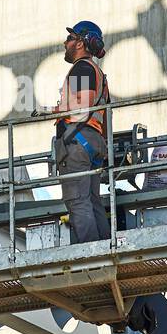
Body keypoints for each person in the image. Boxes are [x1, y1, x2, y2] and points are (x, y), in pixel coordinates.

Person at [49, 20, 112, 244]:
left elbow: (81, 107)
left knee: (77, 201)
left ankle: (94, 254)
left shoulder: (82, 68)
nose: (65, 42)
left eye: (70, 38)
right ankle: (105, 246)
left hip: (78, 142)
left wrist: (53, 111)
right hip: (92, 143)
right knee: (92, 201)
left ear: (81, 43)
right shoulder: (98, 74)